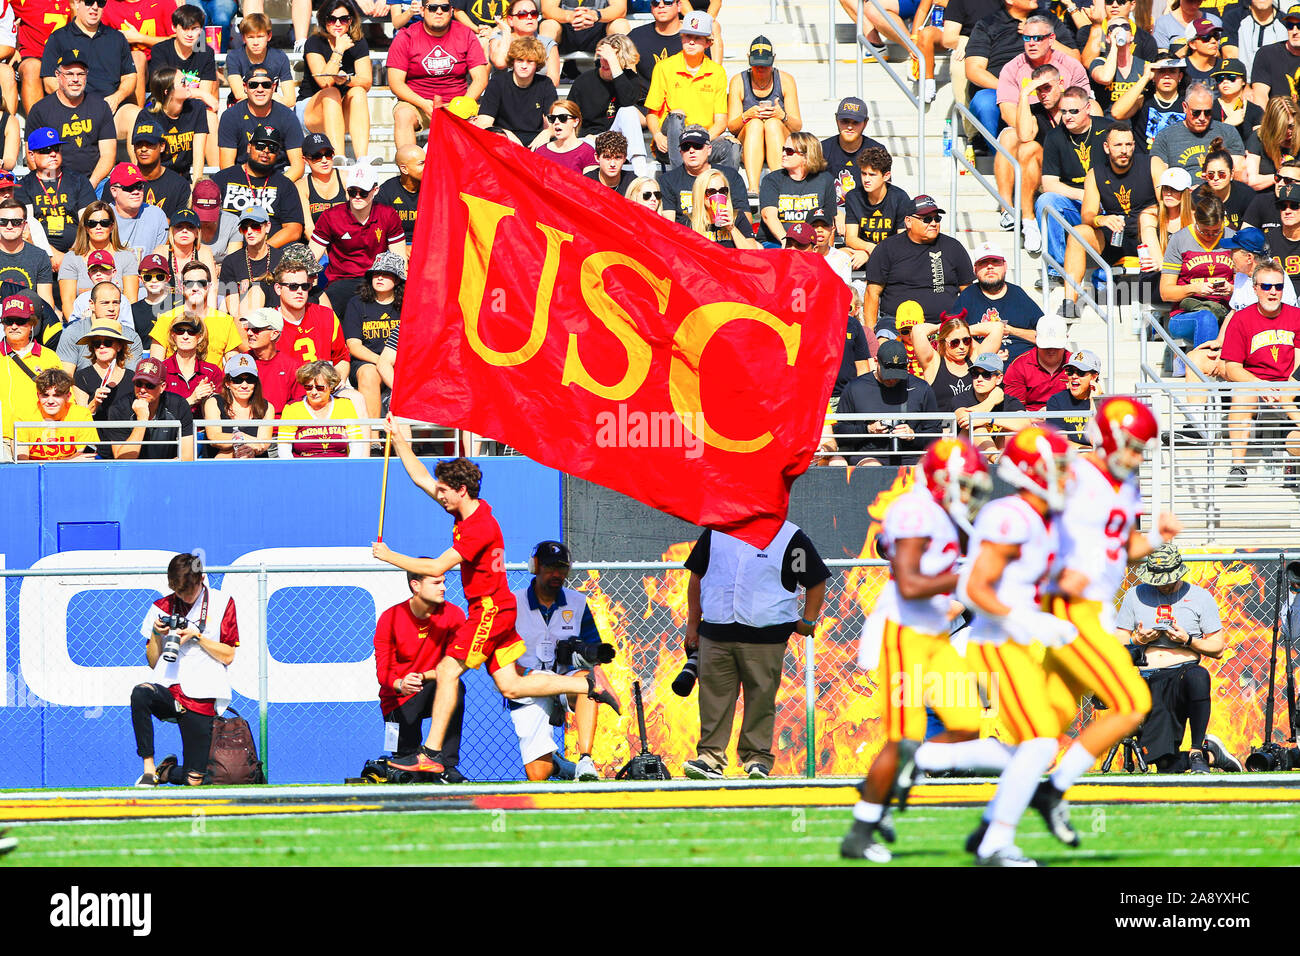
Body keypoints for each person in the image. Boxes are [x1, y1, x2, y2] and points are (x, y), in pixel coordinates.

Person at [374, 448, 621, 778]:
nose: (439, 494)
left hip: (488, 611)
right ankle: (585, 686)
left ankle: (430, 753)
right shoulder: (468, 511)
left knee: (447, 671)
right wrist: (400, 436)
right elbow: (421, 479)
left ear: (461, 490)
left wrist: (389, 555)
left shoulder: (478, 527)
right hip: (499, 609)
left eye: (444, 490)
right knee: (512, 687)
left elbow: (435, 567)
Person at [840, 438, 1008, 861]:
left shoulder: (949, 517)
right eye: (964, 485)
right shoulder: (914, 510)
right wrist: (968, 582)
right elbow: (912, 584)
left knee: (970, 721)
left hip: (936, 637)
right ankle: (860, 831)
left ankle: (897, 774)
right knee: (904, 739)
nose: (969, 495)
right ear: (940, 480)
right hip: (904, 636)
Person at [957, 424, 1079, 866]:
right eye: (1058, 468)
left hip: (1016, 642)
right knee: (1041, 742)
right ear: (1033, 471)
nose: (1067, 476)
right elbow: (974, 587)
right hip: (998, 642)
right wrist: (1025, 620)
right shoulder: (1011, 515)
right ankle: (995, 846)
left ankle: (919, 759)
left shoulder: (1042, 516)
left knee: (1021, 746)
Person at [680, 517, 828, 780]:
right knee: (713, 699)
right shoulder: (716, 531)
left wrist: (808, 621)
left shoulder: (789, 536)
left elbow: (815, 580)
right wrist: (692, 624)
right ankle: (710, 758)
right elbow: (697, 577)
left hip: (766, 637)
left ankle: (757, 760)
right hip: (716, 632)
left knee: (760, 700)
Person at [1116, 542, 1239, 773]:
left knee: (1198, 676)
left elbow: (1218, 648)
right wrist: (1138, 640)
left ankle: (1196, 749)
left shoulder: (1200, 597)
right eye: (1157, 581)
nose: (1162, 586)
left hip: (1183, 672)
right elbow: (1118, 641)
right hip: (1148, 677)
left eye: (1167, 580)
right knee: (1162, 764)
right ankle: (1211, 757)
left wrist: (1188, 640)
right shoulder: (1136, 595)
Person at [131, 552, 238, 787]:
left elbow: (229, 655)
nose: (184, 598)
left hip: (202, 692)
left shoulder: (222, 603)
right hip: (168, 688)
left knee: (194, 781)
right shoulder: (161, 606)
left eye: (188, 592)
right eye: (178, 592)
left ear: (202, 580)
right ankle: (149, 770)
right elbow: (152, 661)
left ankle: (167, 772)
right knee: (140, 692)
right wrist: (156, 634)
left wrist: (197, 637)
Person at [509, 540, 612, 782]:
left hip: (565, 679)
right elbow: (500, 654)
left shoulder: (578, 602)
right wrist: (521, 672)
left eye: (562, 568)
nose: (557, 574)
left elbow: (592, 649)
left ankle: (585, 760)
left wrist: (587, 654)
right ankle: (558, 767)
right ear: (535, 567)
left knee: (587, 680)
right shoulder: (512, 603)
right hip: (527, 683)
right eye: (550, 567)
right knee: (538, 775)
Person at [374, 568, 469, 782]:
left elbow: (457, 663)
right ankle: (404, 760)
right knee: (407, 771)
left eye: (444, 582)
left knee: (454, 684)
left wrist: (423, 676)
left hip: (431, 685)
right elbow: (383, 671)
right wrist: (400, 683)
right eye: (436, 583)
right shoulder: (390, 618)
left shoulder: (453, 614)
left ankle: (447, 765)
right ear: (415, 586)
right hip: (396, 697)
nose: (444, 587)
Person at [1221, 257, 1300, 484]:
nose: (1273, 292)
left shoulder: (1296, 316)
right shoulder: (1241, 319)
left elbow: (1299, 360)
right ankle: (1238, 466)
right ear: (1255, 289)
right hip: (1255, 385)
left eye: (1278, 286)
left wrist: (1288, 388)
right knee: (1243, 394)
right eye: (1266, 286)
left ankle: (1291, 460)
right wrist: (1261, 385)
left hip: (1290, 385)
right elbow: (1232, 367)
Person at [386, 0, 489, 150]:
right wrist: (423, 104)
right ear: (422, 11)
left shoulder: (465, 33)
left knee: (485, 120)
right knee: (403, 115)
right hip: (418, 103)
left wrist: (461, 106)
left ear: (451, 11)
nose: (439, 11)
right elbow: (396, 82)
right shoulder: (406, 36)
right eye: (433, 8)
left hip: (457, 101)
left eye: (444, 7)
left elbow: (480, 78)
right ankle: (409, 168)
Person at [863, 195, 974, 331]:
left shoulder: (953, 247)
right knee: (887, 344)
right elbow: (872, 293)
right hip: (898, 326)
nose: (933, 223)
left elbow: (968, 292)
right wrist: (869, 335)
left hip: (944, 326)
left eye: (936, 218)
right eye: (926, 219)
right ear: (908, 221)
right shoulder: (887, 248)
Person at [310, 165, 406, 316]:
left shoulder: (388, 215)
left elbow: (399, 260)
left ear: (375, 190)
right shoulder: (330, 216)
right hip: (341, 281)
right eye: (352, 191)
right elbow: (311, 258)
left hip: (376, 279)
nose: (357, 196)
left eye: (364, 192)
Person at [645, 10, 734, 169]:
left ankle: (724, 191)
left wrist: (700, 141)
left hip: (702, 142)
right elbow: (652, 113)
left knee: (732, 147)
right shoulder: (664, 67)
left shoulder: (717, 72)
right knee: (676, 115)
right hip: (670, 141)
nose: (691, 42)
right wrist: (657, 135)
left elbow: (721, 122)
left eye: (697, 38)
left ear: (708, 43)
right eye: (687, 36)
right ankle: (680, 178)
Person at [830, 339, 940, 466]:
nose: (892, 379)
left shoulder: (921, 388)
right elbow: (840, 431)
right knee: (873, 468)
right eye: (888, 373)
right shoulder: (855, 388)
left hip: (910, 455)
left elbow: (935, 433)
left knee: (923, 469)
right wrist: (868, 429)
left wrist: (913, 435)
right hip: (868, 455)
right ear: (876, 361)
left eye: (898, 374)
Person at [40, 0, 138, 140]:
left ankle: (132, 163)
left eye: (101, 2)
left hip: (111, 111)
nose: (95, 7)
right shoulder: (58, 38)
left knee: (136, 117)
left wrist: (117, 98)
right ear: (77, 3)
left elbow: (130, 77)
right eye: (89, 1)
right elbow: (49, 82)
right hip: (73, 111)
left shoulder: (117, 38)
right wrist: (80, 102)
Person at [1036, 85, 1108, 272]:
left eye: (1074, 111)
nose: (1068, 116)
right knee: (1046, 200)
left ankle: (1107, 274)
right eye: (1064, 111)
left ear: (1088, 109)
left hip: (1106, 203)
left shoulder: (1108, 129)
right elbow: (1049, 183)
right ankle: (1057, 268)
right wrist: (1084, 194)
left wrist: (1096, 198)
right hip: (1074, 204)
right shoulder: (1054, 136)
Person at [25, 51, 114, 189]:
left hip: (95, 182)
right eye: (69, 74)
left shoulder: (100, 106)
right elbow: (32, 158)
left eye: (80, 74)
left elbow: (108, 155)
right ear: (58, 75)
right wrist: (57, 186)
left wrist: (90, 185)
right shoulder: (40, 110)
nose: (75, 79)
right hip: (53, 182)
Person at [208, 124, 307, 248]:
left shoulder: (285, 184)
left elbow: (294, 230)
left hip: (269, 252)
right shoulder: (223, 178)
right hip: (226, 251)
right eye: (260, 146)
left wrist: (262, 250)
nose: (266, 151)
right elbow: (206, 219)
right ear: (249, 147)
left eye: (272, 148)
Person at [726, 36, 801, 195]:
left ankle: (778, 184)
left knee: (772, 124)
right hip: (750, 138)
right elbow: (732, 127)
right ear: (749, 60)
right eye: (756, 65)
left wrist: (782, 116)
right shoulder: (738, 81)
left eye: (765, 66)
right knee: (755, 125)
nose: (760, 69)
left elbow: (797, 126)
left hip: (779, 137)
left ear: (773, 61)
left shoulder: (786, 80)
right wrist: (747, 115)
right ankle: (754, 187)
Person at [300, 0, 373, 163]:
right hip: (311, 110)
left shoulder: (358, 42)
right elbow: (324, 82)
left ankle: (362, 159)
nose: (338, 24)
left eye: (344, 19)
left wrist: (347, 80)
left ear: (351, 20)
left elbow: (367, 82)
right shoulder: (314, 42)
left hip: (339, 111)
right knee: (331, 92)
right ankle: (339, 157)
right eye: (332, 19)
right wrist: (338, 50)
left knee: (358, 91)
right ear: (323, 21)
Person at [1160, 193, 1235, 350]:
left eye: (1216, 231)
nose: (1210, 236)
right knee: (1206, 318)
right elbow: (1166, 292)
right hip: (1185, 314)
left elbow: (1246, 285)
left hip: (1225, 311)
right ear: (1196, 222)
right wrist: (1195, 288)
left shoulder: (1232, 238)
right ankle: (1202, 371)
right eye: (1205, 231)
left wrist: (1231, 289)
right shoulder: (1180, 240)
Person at [17, 126, 96, 271]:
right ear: (32, 155)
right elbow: (28, 226)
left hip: (79, 252)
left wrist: (71, 257)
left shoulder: (79, 180)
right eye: (46, 150)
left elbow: (88, 221)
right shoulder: (24, 186)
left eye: (56, 148)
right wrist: (52, 255)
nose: (53, 153)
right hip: (39, 253)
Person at [568, 35, 649, 176]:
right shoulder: (583, 81)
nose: (605, 62)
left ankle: (641, 174)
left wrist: (615, 65)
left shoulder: (631, 79)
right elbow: (570, 116)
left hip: (618, 137)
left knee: (628, 111)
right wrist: (588, 137)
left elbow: (627, 101)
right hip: (589, 138)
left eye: (610, 58)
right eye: (603, 57)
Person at [954, 243, 1043, 363]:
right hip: (982, 368)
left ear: (1005, 266)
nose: (990, 267)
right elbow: (952, 333)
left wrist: (1011, 330)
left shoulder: (1018, 294)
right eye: (984, 263)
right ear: (975, 270)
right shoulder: (968, 295)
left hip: (1022, 365)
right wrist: (986, 357)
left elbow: (1043, 336)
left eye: (995, 262)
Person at [344, 251, 403, 421]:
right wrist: (382, 363)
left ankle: (419, 441)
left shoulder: (407, 304)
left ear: (397, 279)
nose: (379, 278)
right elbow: (354, 346)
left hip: (400, 362)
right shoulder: (357, 303)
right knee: (370, 373)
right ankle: (374, 439)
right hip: (367, 362)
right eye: (376, 274)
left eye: (386, 274)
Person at [1150, 82, 1245, 186]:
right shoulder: (1165, 136)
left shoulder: (1228, 132)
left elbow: (1238, 174)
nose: (1202, 118)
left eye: (1208, 112)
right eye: (1196, 112)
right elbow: (1161, 178)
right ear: (1185, 107)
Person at [102, 354, 196, 459]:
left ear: (162, 387)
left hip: (167, 471)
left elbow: (187, 457)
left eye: (150, 385)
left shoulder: (179, 405)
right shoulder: (119, 409)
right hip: (132, 472)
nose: (142, 389)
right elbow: (124, 460)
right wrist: (142, 420)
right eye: (138, 383)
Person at [910, 309, 1004, 413]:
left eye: (966, 340)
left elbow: (997, 327)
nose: (962, 347)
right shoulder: (933, 363)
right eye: (955, 342)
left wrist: (962, 328)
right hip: (943, 427)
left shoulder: (976, 359)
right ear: (943, 341)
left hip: (974, 425)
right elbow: (917, 330)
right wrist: (944, 326)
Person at [216, 72, 304, 182]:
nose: (260, 89)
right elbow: (226, 166)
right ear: (245, 87)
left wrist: (280, 186)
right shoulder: (231, 116)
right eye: (253, 85)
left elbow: (298, 166)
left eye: (266, 85)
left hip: (277, 178)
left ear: (273, 87)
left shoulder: (287, 116)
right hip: (241, 180)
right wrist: (248, 188)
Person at [658, 124, 749, 228]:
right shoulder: (668, 180)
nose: (691, 151)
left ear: (709, 149)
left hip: (724, 237)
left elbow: (746, 218)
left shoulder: (730, 176)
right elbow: (669, 225)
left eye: (697, 146)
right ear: (680, 152)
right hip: (688, 240)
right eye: (686, 147)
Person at [474, 36, 557, 147]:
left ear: (537, 64)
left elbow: (557, 121)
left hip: (535, 140)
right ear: (512, 61)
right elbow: (483, 123)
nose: (524, 66)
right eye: (520, 60)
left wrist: (547, 133)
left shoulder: (545, 84)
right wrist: (504, 133)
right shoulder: (498, 82)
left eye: (530, 61)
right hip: (503, 141)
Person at [757, 130, 837, 245]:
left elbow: (829, 222)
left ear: (806, 156)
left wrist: (827, 252)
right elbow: (768, 216)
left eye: (789, 151)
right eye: (783, 149)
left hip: (810, 243)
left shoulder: (825, 180)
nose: (784, 154)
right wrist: (787, 242)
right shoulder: (772, 179)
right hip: (776, 242)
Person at [276, 359, 367, 457]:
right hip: (304, 466)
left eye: (320, 388)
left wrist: (350, 467)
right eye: (308, 387)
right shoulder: (292, 408)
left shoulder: (344, 404)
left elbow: (356, 443)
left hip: (339, 465)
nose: (314, 392)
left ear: (330, 386)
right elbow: (284, 448)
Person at [843, 145, 910, 269]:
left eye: (872, 175)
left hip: (892, 255)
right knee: (840, 255)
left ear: (886, 176)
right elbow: (850, 238)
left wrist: (873, 253)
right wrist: (869, 250)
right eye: (864, 174)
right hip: (861, 251)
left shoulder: (900, 198)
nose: (866, 179)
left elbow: (903, 241)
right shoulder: (853, 196)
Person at [58, 278, 144, 371]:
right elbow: (65, 379)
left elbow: (131, 379)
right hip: (81, 384)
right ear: (91, 304)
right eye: (105, 303)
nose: (111, 308)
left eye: (115, 303)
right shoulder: (73, 333)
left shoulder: (131, 338)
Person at [1111, 53, 1188, 155]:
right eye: (1161, 71)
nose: (1166, 76)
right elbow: (1117, 113)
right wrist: (1145, 77)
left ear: (1180, 76)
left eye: (1172, 71)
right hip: (1146, 163)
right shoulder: (1142, 100)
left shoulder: (1188, 103)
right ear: (1153, 75)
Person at [201, 352, 274, 457]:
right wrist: (241, 438)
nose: (244, 385)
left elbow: (263, 444)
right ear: (227, 383)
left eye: (250, 380)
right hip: (219, 465)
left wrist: (249, 450)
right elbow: (214, 437)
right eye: (238, 380)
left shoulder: (267, 407)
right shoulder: (213, 402)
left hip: (254, 463)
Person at [13, 366, 95, 459]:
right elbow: (22, 461)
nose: (50, 401)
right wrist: (68, 461)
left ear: (68, 396)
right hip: (36, 472)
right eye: (45, 395)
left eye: (57, 395)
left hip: (71, 472)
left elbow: (87, 456)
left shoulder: (81, 414)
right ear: (38, 395)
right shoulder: (24, 415)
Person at [821, 96, 887, 211]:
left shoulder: (876, 150)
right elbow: (814, 191)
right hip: (830, 213)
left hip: (865, 212)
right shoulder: (822, 149)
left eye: (856, 122)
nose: (850, 127)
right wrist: (835, 213)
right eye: (844, 121)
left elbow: (884, 192)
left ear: (865, 123)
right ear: (837, 120)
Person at [0, 198, 56, 317]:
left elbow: (46, 301)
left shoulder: (40, 257)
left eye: (16, 222)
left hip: (28, 320)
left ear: (25, 225)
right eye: (3, 221)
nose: (9, 226)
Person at [225, 13, 296, 105]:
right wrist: (272, 97)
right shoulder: (234, 57)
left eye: (260, 37)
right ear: (243, 38)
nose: (255, 42)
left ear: (269, 36)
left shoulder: (280, 57)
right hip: (241, 108)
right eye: (250, 37)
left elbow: (290, 100)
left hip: (270, 108)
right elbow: (239, 95)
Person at [1003, 314, 1071, 410]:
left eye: (1056, 346)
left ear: (1067, 338)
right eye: (1046, 346)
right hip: (1029, 420)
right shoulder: (1019, 366)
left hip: (1068, 419)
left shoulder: (1077, 365)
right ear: (1035, 338)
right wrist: (1032, 417)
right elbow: (1014, 407)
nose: (1051, 350)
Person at [241, 305, 302, 413]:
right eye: (248, 328)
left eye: (256, 329)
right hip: (246, 425)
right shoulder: (239, 363)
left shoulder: (291, 367)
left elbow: (299, 406)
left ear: (274, 334)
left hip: (281, 426)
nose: (249, 333)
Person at [106, 162, 169, 263]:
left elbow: (160, 260)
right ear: (114, 191)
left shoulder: (156, 215)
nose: (136, 192)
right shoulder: (103, 216)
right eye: (129, 187)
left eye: (139, 186)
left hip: (148, 276)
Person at [130, 117, 193, 216]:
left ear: (162, 146)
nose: (143, 149)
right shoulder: (121, 182)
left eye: (149, 144)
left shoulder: (179, 186)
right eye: (139, 144)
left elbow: (181, 226)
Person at [490, 0, 561, 87]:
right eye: (522, 14)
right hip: (504, 93)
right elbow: (500, 63)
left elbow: (553, 81)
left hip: (537, 95)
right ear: (510, 20)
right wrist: (506, 31)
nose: (529, 17)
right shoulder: (500, 38)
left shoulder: (547, 43)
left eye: (533, 13)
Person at [159, 207, 219, 307]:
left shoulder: (204, 252)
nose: (184, 231)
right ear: (171, 231)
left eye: (190, 227)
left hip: (197, 307)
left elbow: (212, 288)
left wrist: (210, 319)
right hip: (166, 308)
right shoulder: (162, 251)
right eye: (179, 226)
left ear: (197, 233)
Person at [687, 167, 758, 248]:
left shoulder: (737, 217)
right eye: (711, 192)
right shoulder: (689, 222)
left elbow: (752, 253)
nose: (717, 195)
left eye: (722, 191)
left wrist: (732, 228)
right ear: (700, 194)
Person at [1043, 348, 1101, 444]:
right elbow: (1060, 443)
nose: (1074, 376)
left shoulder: (1104, 403)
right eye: (1070, 371)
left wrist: (1093, 402)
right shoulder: (1056, 401)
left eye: (1081, 372)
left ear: (1094, 377)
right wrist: (1088, 451)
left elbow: (1096, 441)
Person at [1193, 138, 1252, 232]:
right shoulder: (1197, 197)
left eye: (1221, 174)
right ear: (1205, 175)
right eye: (1211, 174)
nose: (1216, 178)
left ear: (1232, 173)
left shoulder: (1246, 195)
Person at [538, 0, 630, 60]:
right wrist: (570, 16)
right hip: (565, 27)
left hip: (599, 25)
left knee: (620, 24)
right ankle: (541, 78)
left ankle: (630, 78)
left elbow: (620, 9)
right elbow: (547, 10)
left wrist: (595, 15)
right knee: (548, 25)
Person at [1244, 96, 1298, 194]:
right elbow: (1251, 181)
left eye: (1291, 126)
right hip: (1268, 196)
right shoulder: (1258, 138)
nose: (1289, 131)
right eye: (1282, 127)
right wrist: (1279, 177)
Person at [1249, 3, 1300, 103]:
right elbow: (1260, 97)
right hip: (1277, 117)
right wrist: (1266, 119)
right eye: (1290, 26)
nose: (1294, 31)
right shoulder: (1267, 54)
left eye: (1299, 26)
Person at [376, 144, 423, 249]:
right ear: (404, 169)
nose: (427, 167)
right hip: (396, 245)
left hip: (427, 247)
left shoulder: (434, 188)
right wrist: (401, 248)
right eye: (421, 163)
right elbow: (378, 230)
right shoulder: (386, 191)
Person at [1209, 57, 1261, 143]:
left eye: (1231, 77)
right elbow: (1205, 140)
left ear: (1243, 81)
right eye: (1220, 78)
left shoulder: (1255, 110)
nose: (1225, 81)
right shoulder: (1209, 109)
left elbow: (1260, 143)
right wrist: (1227, 125)